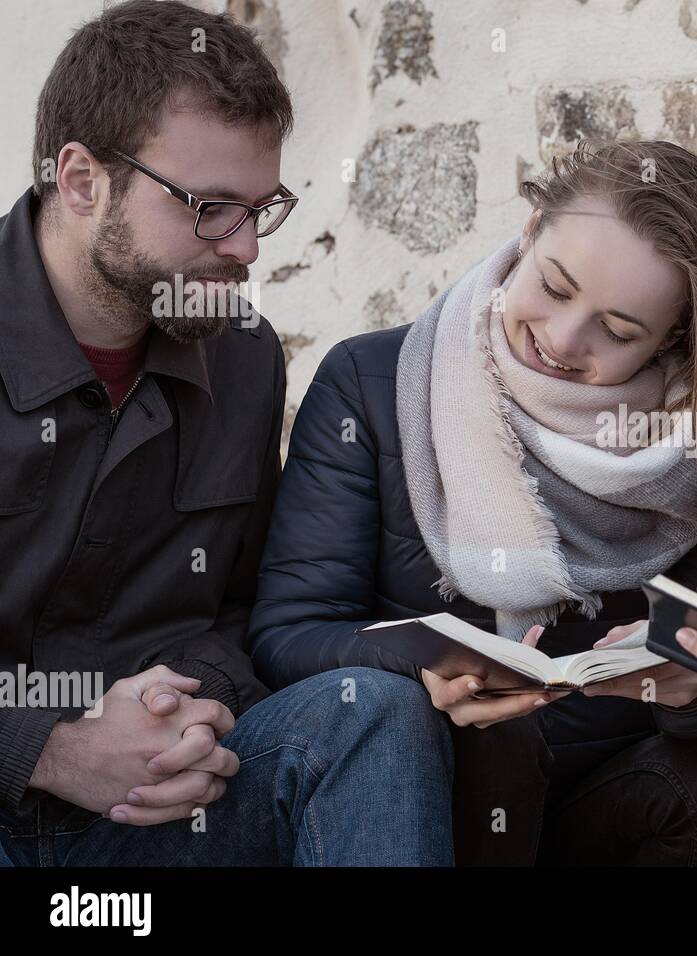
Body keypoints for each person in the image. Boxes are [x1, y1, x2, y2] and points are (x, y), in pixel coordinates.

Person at [250, 139, 697, 864]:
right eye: (553, 285)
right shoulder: (371, 382)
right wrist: (422, 671)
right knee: (484, 744)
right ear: (531, 230)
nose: (562, 338)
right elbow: (288, 633)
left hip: (605, 803)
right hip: (426, 795)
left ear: (672, 337)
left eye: (617, 331)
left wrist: (689, 690)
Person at [0, 0, 452, 867]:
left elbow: (245, 606)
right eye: (210, 208)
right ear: (83, 180)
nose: (247, 250)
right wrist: (51, 747)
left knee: (371, 714)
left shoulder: (243, 359)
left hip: (157, 813)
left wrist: (182, 717)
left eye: (262, 207)